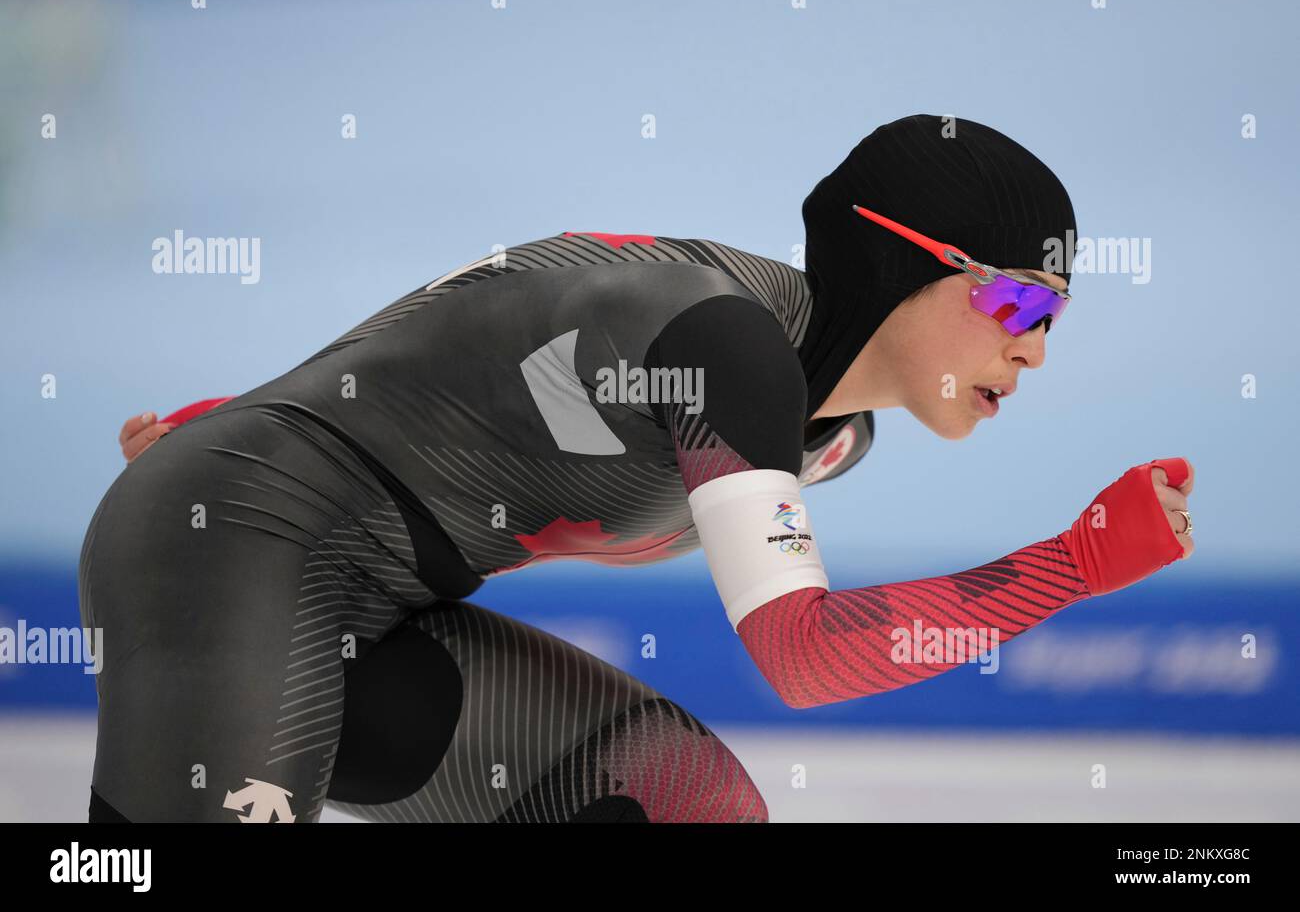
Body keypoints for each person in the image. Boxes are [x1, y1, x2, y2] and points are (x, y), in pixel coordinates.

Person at [80, 113, 1194, 823]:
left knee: (687, 803)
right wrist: (1075, 563)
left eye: (1054, 316)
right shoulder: (724, 346)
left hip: (366, 607)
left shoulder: (829, 436)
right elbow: (801, 660)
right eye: (1016, 297)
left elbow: (493, 374)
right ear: (905, 258)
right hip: (240, 540)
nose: (1035, 345)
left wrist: (219, 414)